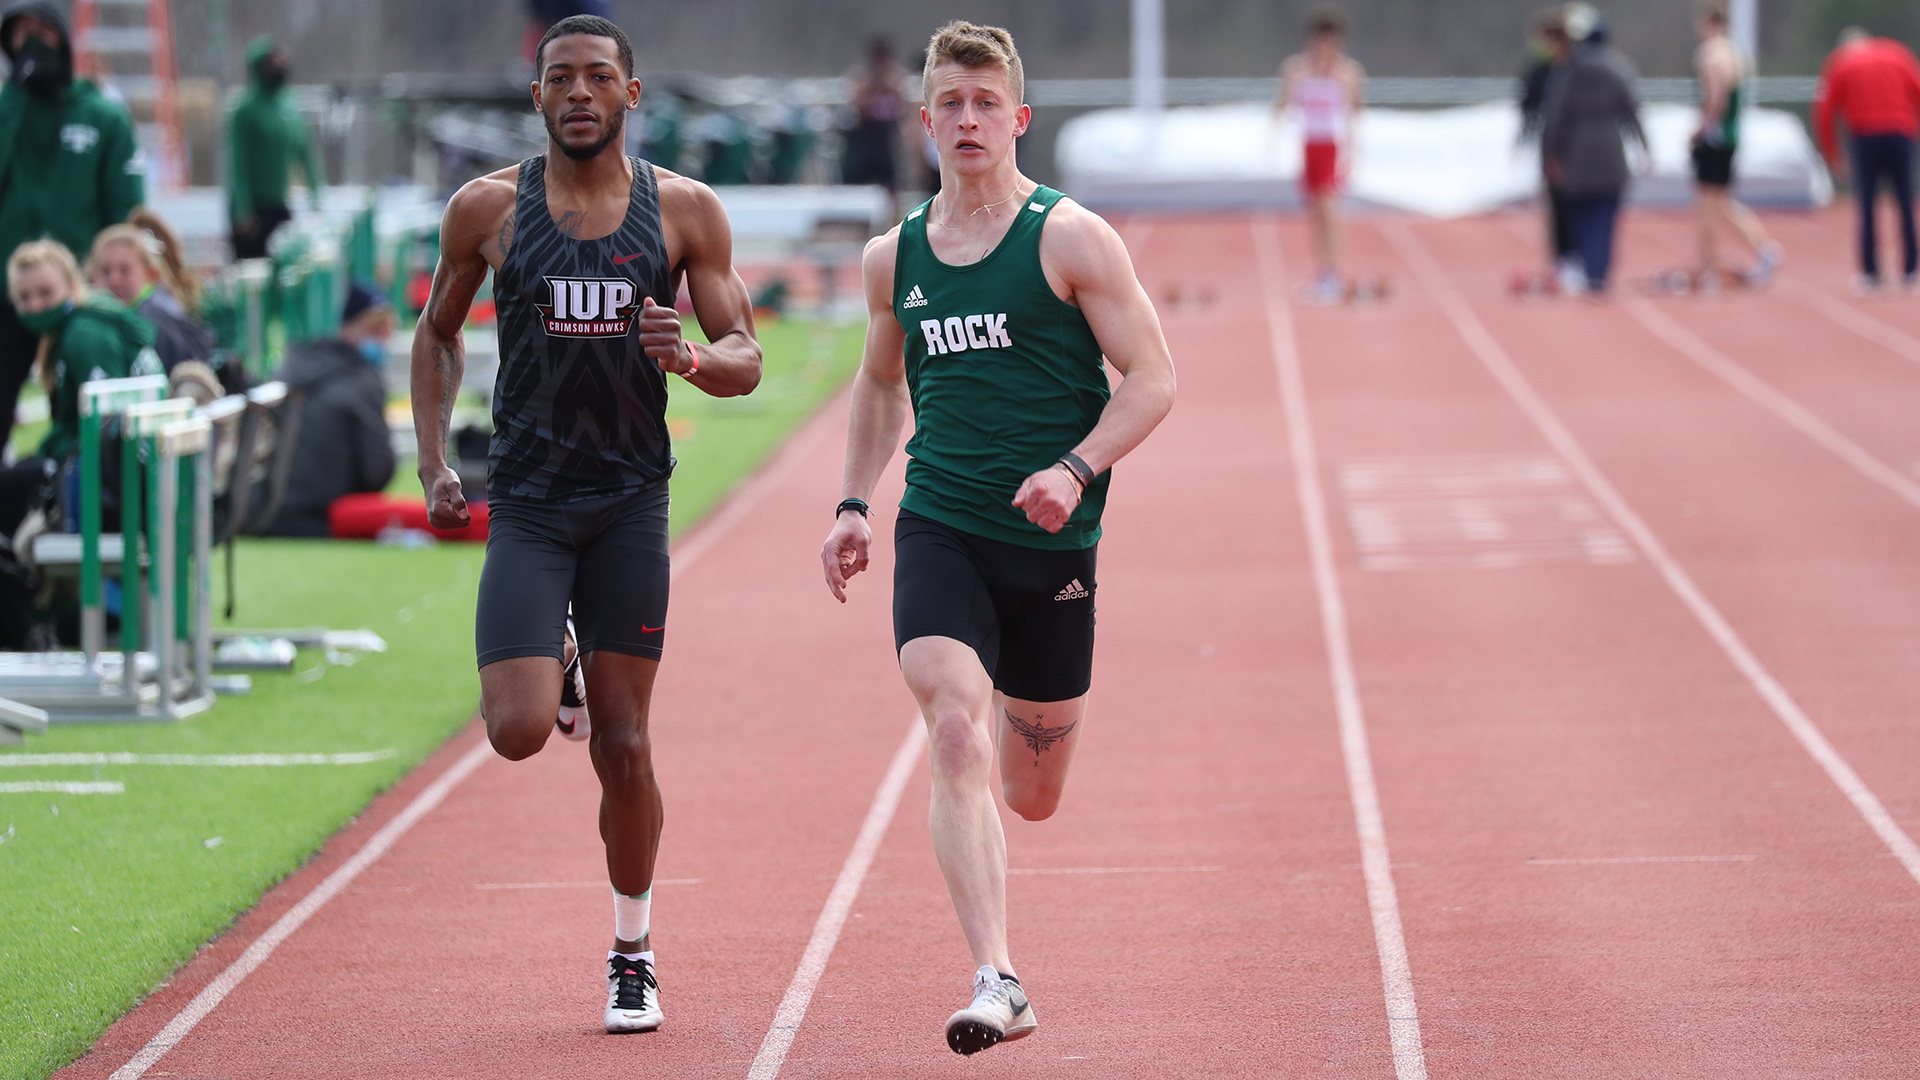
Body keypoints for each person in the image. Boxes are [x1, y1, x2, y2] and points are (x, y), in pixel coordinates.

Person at [819, 20, 1176, 1056]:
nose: (968, 120)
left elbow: (1154, 379)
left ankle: (1027, 737)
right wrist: (854, 503)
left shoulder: (1070, 239)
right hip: (941, 525)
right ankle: (998, 977)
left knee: (1032, 794)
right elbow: (880, 383)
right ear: (924, 120)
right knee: (954, 730)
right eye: (950, 103)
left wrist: (1076, 469)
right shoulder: (893, 256)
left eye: (986, 104)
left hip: (1054, 545)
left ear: (1018, 118)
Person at [410, 14, 761, 1035]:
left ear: (630, 94)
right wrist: (433, 463)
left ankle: (632, 952)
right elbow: (438, 334)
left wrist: (690, 356)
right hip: (529, 499)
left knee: (625, 741)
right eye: (559, 78)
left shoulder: (685, 211)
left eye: (598, 77)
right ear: (536, 98)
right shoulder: (488, 209)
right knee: (518, 732)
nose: (578, 93)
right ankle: (556, 655)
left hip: (628, 502)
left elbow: (743, 353)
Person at [0, 0, 144, 457]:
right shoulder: (7, 112)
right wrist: (12, 98)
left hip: (77, 299)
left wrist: (110, 282)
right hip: (11, 297)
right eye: (22, 33)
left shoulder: (102, 116)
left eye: (43, 31)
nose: (33, 43)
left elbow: (126, 214)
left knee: (76, 418)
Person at [0, 239, 160, 536]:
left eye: (46, 293)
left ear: (72, 285)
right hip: (112, 472)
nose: (35, 306)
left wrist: (57, 458)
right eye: (24, 297)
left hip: (116, 484)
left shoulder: (85, 335)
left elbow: (107, 427)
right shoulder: (73, 329)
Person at [265, 281, 397, 537]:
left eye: (386, 330)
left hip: (267, 513)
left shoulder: (290, 367)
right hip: (327, 518)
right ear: (347, 326)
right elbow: (378, 469)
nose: (382, 339)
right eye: (374, 329)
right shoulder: (362, 380)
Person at [1540, 12, 1645, 294]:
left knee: (1581, 214)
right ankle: (1600, 272)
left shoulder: (1569, 71)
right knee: (1606, 215)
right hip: (1610, 151)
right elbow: (1632, 113)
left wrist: (1551, 154)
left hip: (1577, 153)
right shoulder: (1619, 69)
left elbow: (1556, 116)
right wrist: (1644, 146)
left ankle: (1586, 267)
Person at [1814, 27, 1920, 292]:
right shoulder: (1898, 54)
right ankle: (1910, 270)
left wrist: (1832, 154)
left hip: (1865, 138)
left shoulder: (1841, 63)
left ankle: (1871, 273)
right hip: (1900, 134)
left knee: (1867, 204)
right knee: (1905, 202)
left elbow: (1824, 112)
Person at [1275, 6, 1364, 303]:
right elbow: (1283, 105)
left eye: (1331, 42)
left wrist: (1353, 155)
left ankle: (1332, 275)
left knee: (1329, 211)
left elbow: (1355, 116)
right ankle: (1323, 273)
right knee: (1315, 213)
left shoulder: (1347, 74)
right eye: (1320, 42)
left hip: (1332, 147)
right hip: (1309, 146)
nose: (1325, 48)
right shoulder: (1296, 70)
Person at [1690, 1, 1780, 288]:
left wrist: (1699, 129)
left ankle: (1708, 267)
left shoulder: (1712, 53)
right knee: (1721, 204)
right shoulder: (1735, 52)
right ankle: (1764, 249)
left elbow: (1717, 97)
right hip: (1730, 135)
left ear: (1709, 23)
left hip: (1715, 137)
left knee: (1707, 204)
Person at [226, 36, 322, 261]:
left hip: (280, 202)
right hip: (253, 207)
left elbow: (306, 152)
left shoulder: (291, 106)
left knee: (286, 263)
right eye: (272, 63)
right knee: (254, 266)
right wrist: (242, 210)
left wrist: (316, 195)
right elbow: (237, 162)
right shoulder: (246, 109)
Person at [87, 215, 219, 377]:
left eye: (125, 270)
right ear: (92, 277)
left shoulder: (159, 321)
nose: (115, 280)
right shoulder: (92, 322)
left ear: (151, 274)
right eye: (105, 271)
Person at [1519, 7, 1577, 289]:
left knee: (1569, 202)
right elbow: (1527, 104)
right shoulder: (1539, 70)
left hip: (1573, 145)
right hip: (1551, 142)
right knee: (1554, 203)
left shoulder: (1574, 67)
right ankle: (1559, 260)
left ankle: (1571, 258)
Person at [843, 37, 908, 195]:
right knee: (861, 176)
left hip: (888, 131)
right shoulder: (863, 79)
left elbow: (902, 106)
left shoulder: (896, 79)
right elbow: (858, 106)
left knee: (892, 178)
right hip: (868, 131)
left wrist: (888, 86)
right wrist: (874, 85)